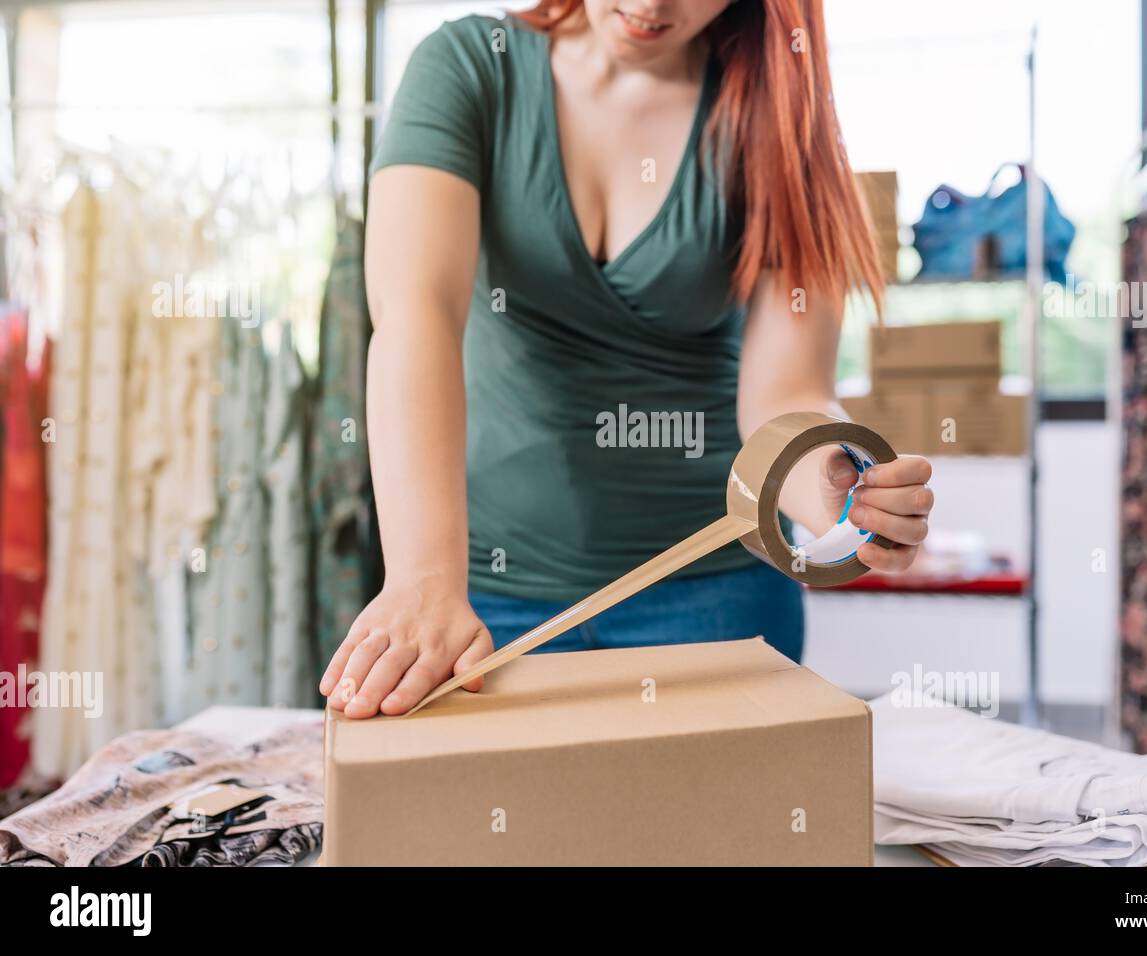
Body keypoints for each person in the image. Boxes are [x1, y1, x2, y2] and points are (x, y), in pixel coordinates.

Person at [320, 0, 935, 719]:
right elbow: (416, 313)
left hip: (712, 603)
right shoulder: (467, 68)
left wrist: (837, 487)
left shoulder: (781, 116)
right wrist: (423, 579)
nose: (650, 6)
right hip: (482, 598)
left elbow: (784, 396)